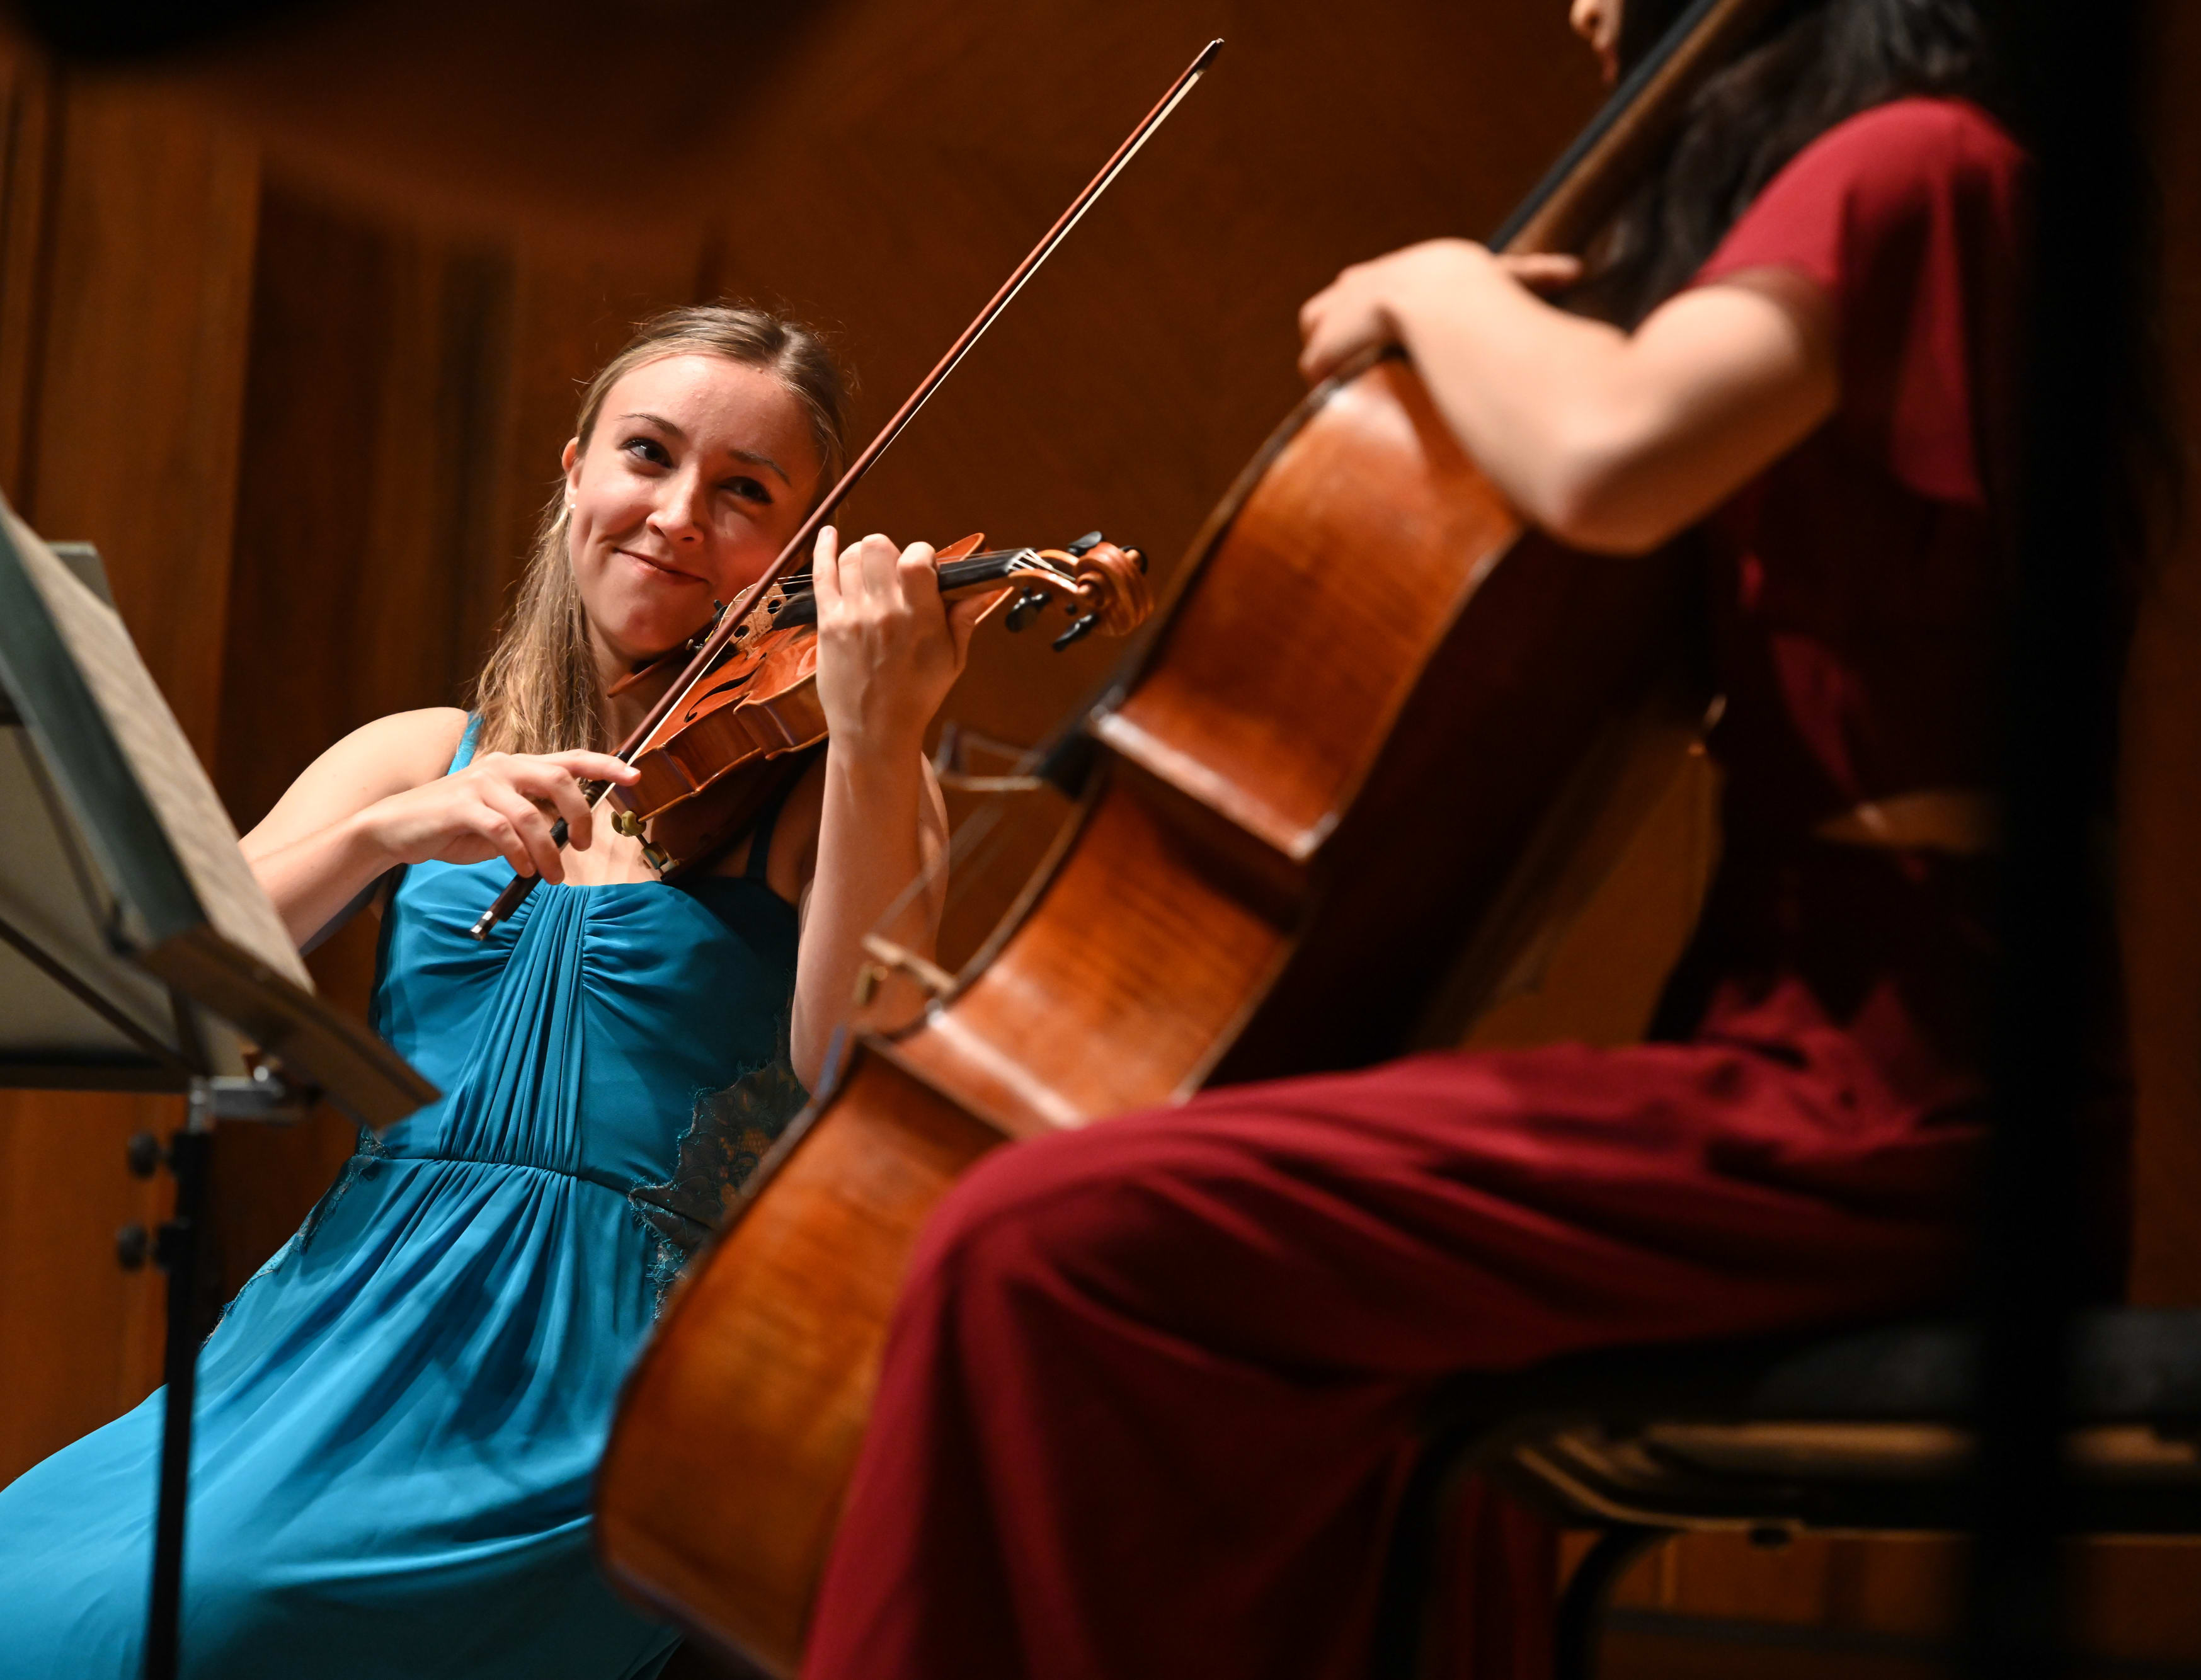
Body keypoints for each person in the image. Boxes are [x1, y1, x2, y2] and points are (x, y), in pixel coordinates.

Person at [797, 3, 2113, 1677]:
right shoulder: (1906, 196)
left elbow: (1613, 455)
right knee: (1330, 1384)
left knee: (1027, 1240)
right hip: (1823, 1062)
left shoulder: (1920, 164)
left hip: (1895, 1095)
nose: (1577, 5)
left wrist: (1435, 282)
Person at [0, 305, 993, 1680]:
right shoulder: (417, 753)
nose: (679, 515)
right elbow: (158, 966)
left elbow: (855, 1070)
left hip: (603, 1375)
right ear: (574, 471)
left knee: (221, 1630)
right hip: (337, 1318)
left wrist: (876, 738)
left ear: (806, 545)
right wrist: (386, 832)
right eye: (648, 455)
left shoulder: (834, 785)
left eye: (745, 492)